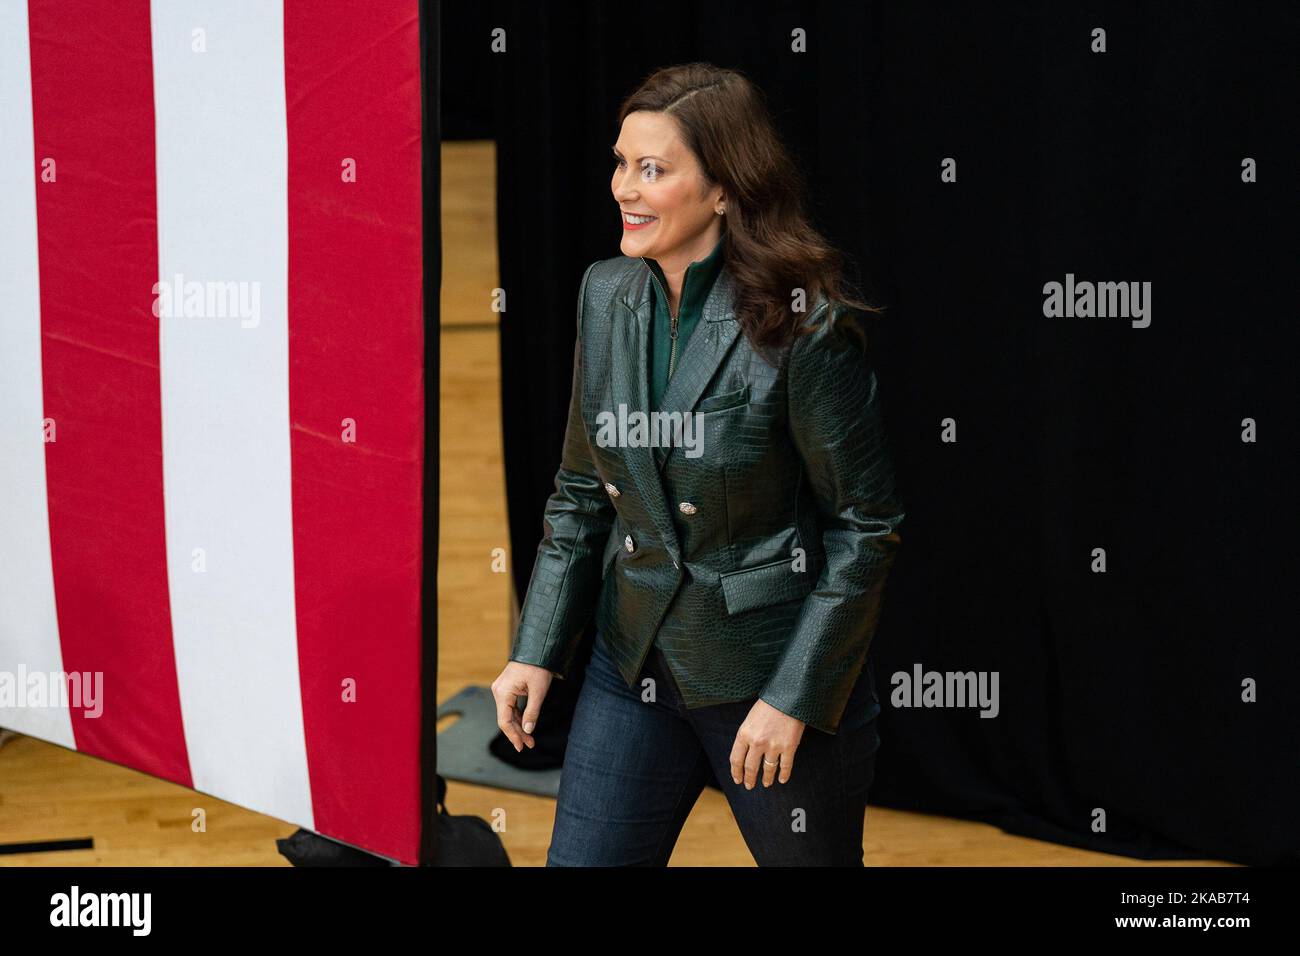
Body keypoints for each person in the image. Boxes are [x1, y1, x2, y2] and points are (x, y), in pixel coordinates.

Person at [490, 62, 906, 866]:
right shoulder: (604, 295)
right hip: (631, 661)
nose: (624, 188)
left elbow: (866, 526)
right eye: (620, 163)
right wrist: (537, 646)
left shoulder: (804, 330)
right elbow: (581, 496)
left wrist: (795, 698)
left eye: (652, 169)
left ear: (724, 188)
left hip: (767, 677)